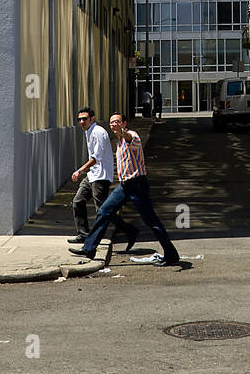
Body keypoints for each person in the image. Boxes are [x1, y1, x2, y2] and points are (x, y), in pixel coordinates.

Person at [70, 112, 180, 266]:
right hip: (124, 186)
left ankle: (172, 255)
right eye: (111, 122)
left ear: (124, 123)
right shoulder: (119, 141)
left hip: (137, 185)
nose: (114, 124)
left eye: (117, 122)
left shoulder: (131, 136)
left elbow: (129, 138)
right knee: (104, 211)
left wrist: (122, 132)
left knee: (151, 221)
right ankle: (89, 248)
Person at [69, 108, 137, 251]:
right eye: (79, 119)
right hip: (92, 175)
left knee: (103, 210)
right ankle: (83, 234)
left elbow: (96, 158)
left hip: (101, 176)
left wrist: (80, 171)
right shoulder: (89, 132)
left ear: (92, 119)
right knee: (78, 201)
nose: (82, 122)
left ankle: (129, 230)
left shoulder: (98, 132)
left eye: (85, 119)